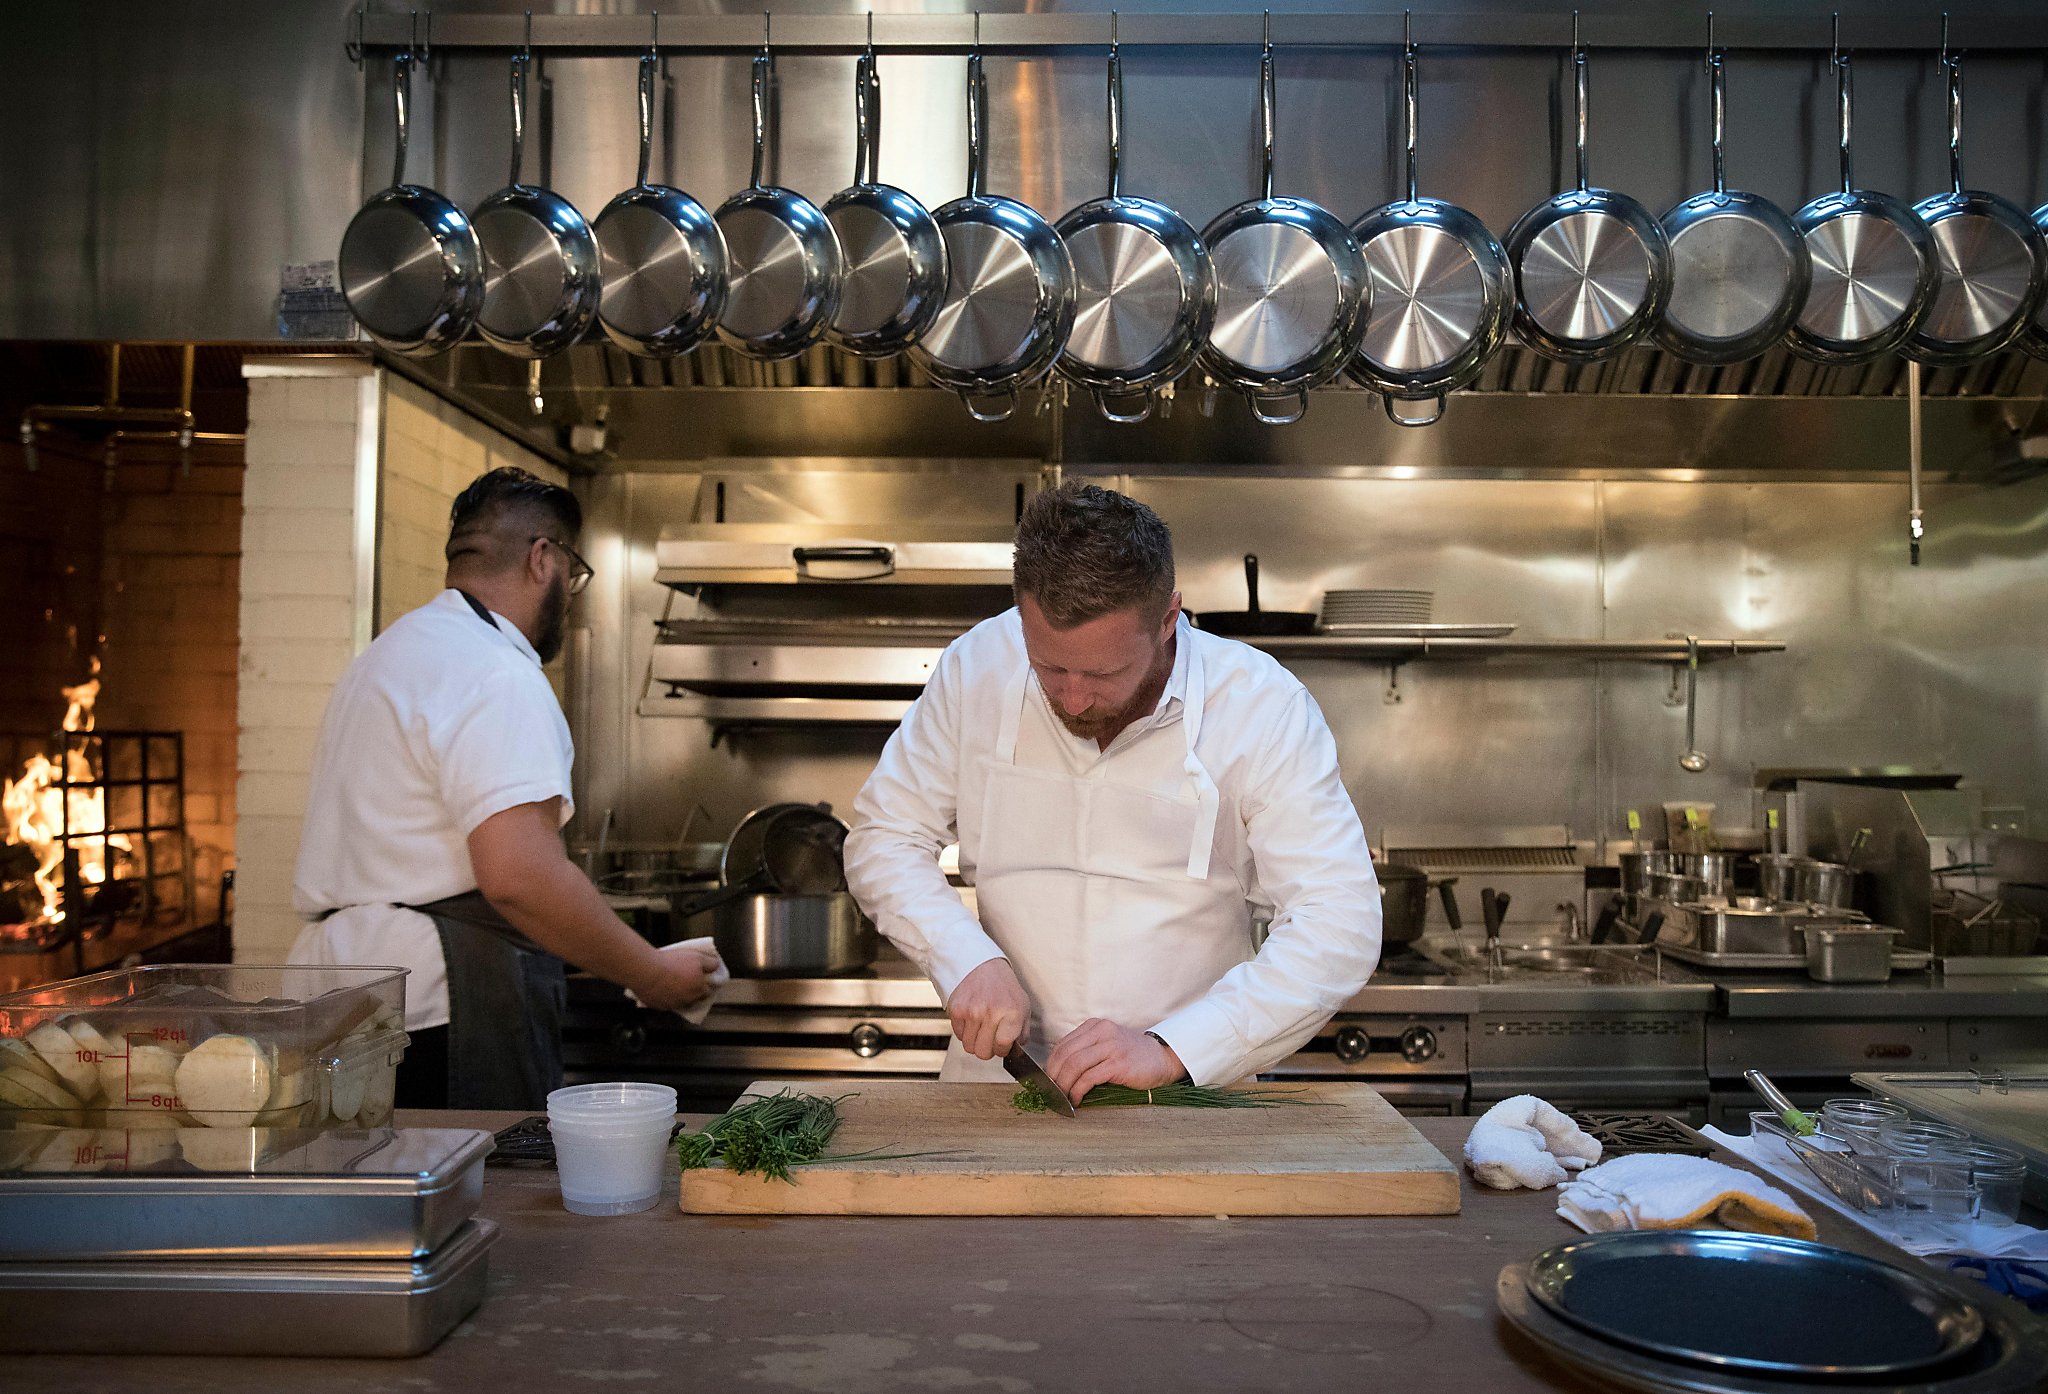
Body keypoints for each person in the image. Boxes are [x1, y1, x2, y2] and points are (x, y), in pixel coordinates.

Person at [844, 482, 1380, 1102]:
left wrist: (1174, 1047)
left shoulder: (1261, 704)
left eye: (1103, 673)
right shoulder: (977, 668)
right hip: (995, 1087)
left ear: (1169, 620)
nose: (1073, 700)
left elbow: (1339, 921)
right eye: (1049, 667)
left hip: (1187, 1090)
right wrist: (960, 956)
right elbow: (884, 837)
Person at [289, 467, 717, 1109]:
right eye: (573, 576)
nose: (570, 595)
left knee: (370, 1197)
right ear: (543, 560)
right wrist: (652, 975)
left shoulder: (389, 655)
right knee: (482, 1197)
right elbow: (520, 875)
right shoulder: (497, 672)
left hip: (339, 996)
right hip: (440, 1001)